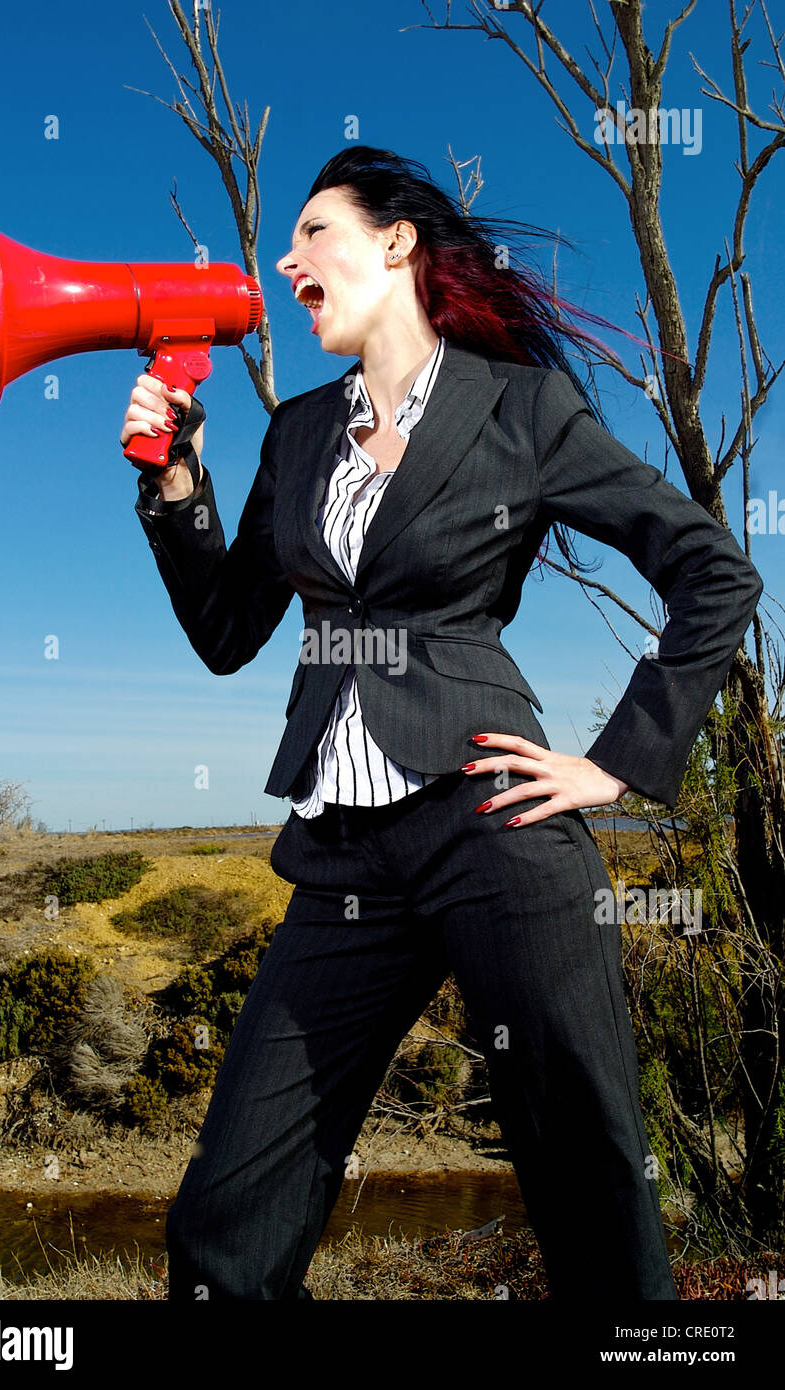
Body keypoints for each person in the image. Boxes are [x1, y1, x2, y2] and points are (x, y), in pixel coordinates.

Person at [121, 147, 763, 1301]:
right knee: (227, 1210)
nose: (286, 258)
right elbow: (228, 631)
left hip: (492, 823)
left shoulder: (519, 407)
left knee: (586, 1171)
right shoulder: (298, 434)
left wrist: (617, 762)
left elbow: (711, 572)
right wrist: (176, 491)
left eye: (315, 230)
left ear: (398, 242)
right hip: (341, 855)